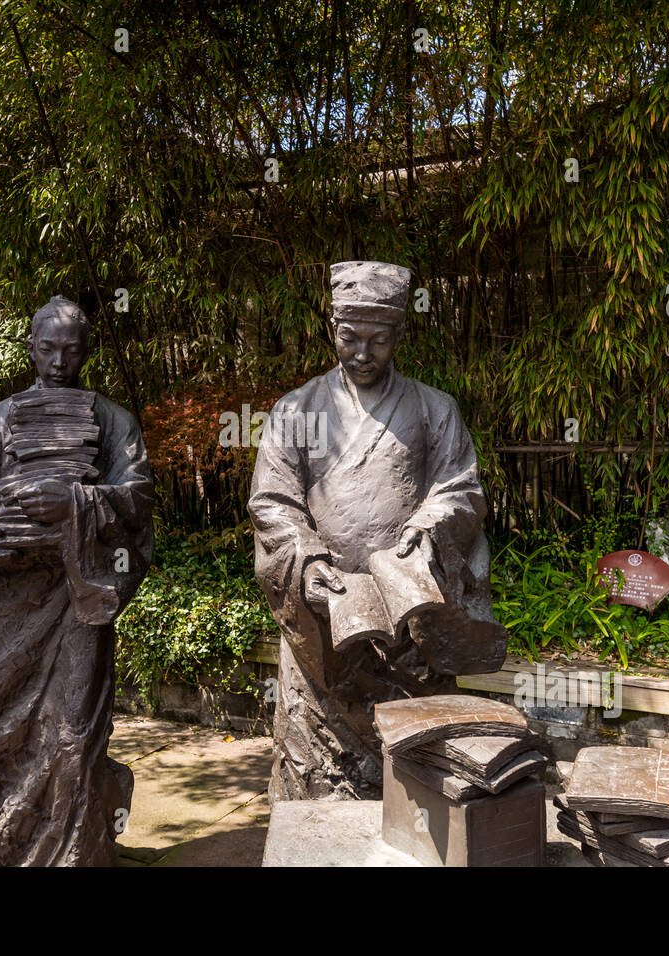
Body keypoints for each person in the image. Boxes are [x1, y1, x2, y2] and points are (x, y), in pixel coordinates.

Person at [249, 261, 506, 802]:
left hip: (409, 623)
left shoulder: (434, 408)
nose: (362, 353)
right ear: (331, 331)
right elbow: (273, 500)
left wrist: (426, 531)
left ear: (399, 336)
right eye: (349, 338)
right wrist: (308, 562)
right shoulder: (296, 411)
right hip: (326, 620)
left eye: (379, 340)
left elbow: (460, 489)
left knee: (416, 776)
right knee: (318, 782)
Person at [0, 295, 154, 865]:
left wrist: (75, 500)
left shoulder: (112, 421)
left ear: (86, 353)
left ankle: (70, 847)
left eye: (70, 351)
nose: (58, 362)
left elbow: (138, 496)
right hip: (6, 597)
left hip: (78, 596)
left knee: (71, 726)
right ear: (30, 348)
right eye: (48, 349)